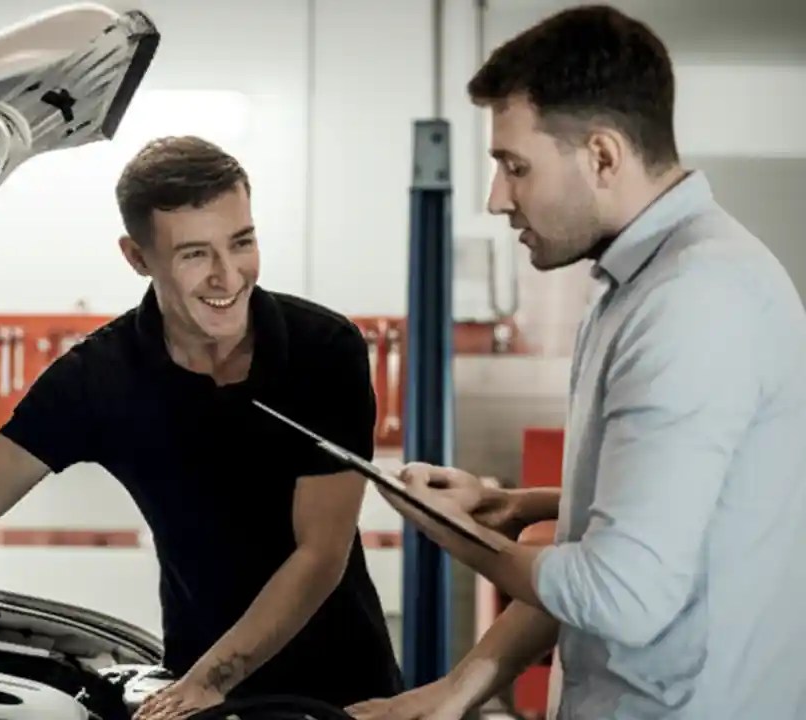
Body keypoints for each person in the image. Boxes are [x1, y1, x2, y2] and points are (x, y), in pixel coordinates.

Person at [0, 135, 405, 717]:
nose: (227, 277)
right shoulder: (102, 376)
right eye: (195, 254)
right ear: (137, 256)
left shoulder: (324, 350)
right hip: (195, 697)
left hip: (344, 691)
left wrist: (213, 679)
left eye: (242, 242)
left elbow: (320, 553)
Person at [345, 5, 806, 720]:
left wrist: (458, 536)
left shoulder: (695, 304)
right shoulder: (638, 288)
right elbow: (645, 519)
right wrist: (516, 512)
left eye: (513, 166)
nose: (497, 198)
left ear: (601, 156)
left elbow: (617, 591)